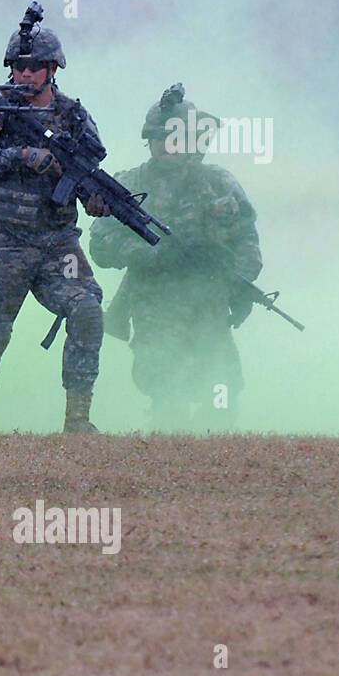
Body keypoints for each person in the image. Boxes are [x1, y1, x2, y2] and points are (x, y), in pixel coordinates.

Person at [0, 23, 111, 435]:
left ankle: (77, 421)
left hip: (56, 243)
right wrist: (21, 155)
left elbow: (87, 173)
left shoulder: (74, 116)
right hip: (0, 239)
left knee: (88, 310)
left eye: (35, 67)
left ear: (52, 69)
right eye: (19, 67)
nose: (25, 75)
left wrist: (95, 202)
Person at [89, 84, 261, 429]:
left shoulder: (219, 183)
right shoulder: (128, 185)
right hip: (154, 303)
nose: (168, 146)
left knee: (222, 392)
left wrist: (237, 283)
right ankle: (168, 457)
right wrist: (150, 255)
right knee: (168, 393)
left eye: (177, 138)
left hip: (210, 303)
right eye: (159, 137)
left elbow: (248, 243)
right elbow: (101, 245)